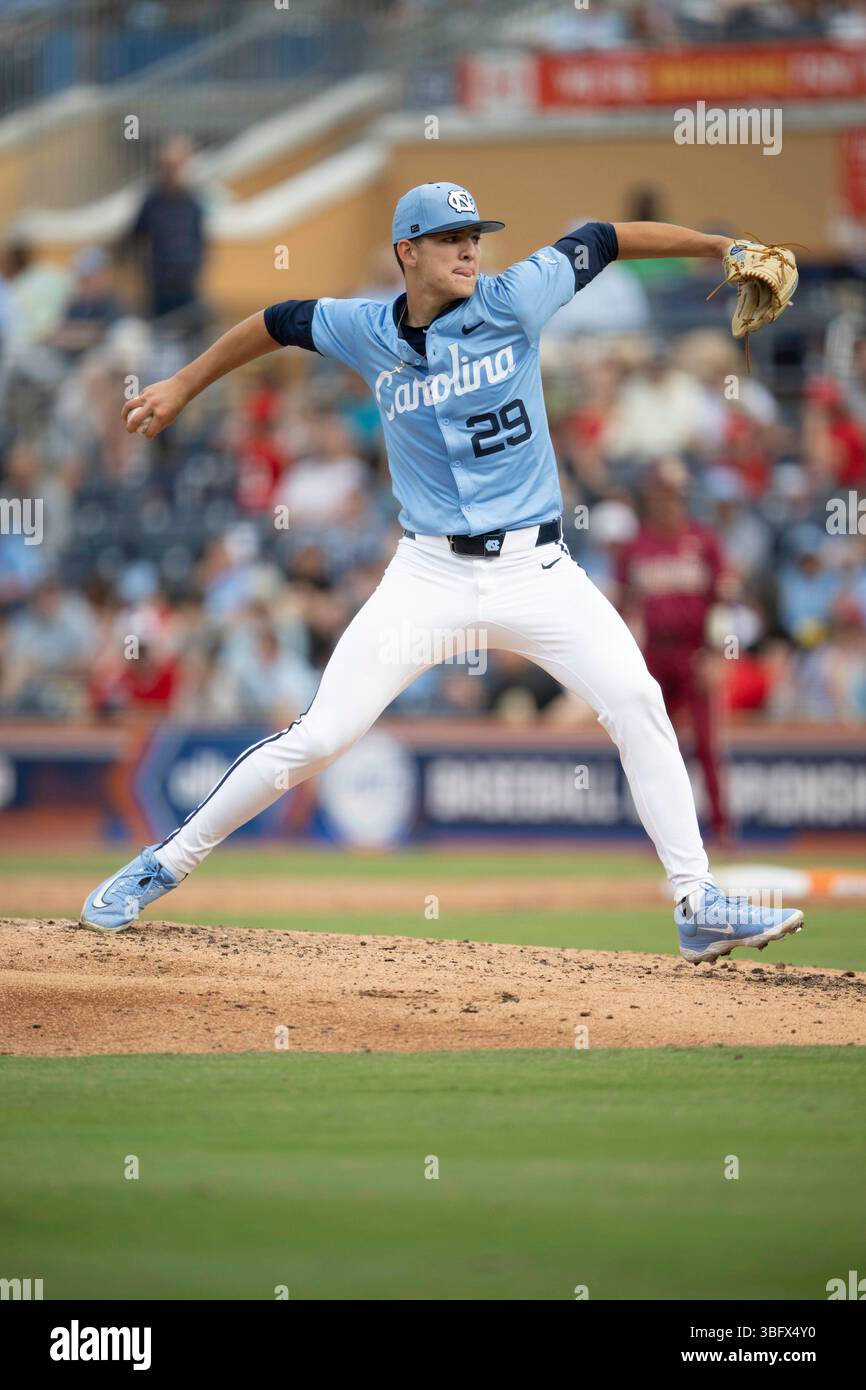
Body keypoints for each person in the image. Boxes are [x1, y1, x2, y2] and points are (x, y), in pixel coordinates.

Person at [80, 180, 804, 963]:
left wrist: (719, 248)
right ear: (407, 252)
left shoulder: (517, 296)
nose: (469, 249)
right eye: (452, 237)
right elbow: (275, 322)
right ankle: (160, 865)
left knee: (636, 700)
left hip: (539, 569)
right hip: (429, 575)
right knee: (322, 734)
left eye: (475, 235)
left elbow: (605, 235)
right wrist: (185, 383)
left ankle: (696, 901)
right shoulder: (363, 327)